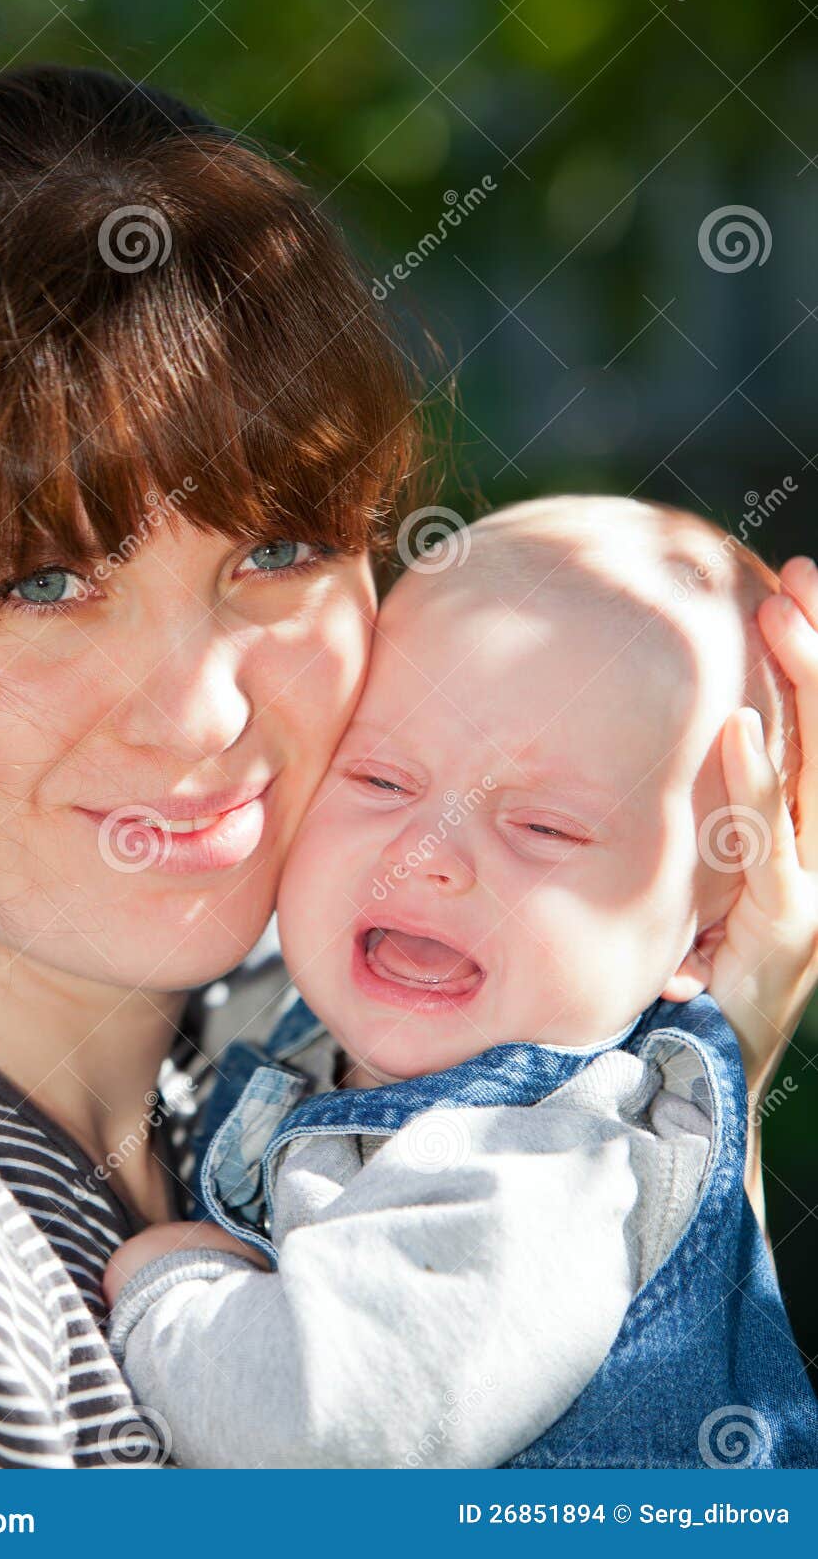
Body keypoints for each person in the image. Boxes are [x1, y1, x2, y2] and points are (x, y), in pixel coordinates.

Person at [0, 65, 815, 1468]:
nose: (200, 714)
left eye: (278, 549)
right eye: (45, 581)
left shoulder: (302, 1034)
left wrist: (683, 1080)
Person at [103, 497, 818, 1469]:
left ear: (703, 943)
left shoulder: (543, 1172)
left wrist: (174, 1289)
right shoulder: (299, 1009)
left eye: (544, 828)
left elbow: (328, 1438)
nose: (426, 853)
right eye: (380, 780)